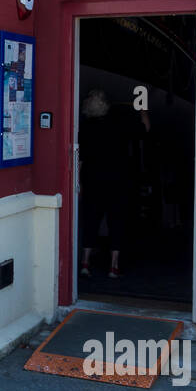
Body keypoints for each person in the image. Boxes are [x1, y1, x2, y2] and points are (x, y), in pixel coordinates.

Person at [78, 88, 146, 279]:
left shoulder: (85, 128)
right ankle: (113, 266)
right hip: (118, 182)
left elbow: (80, 160)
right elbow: (145, 130)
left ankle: (85, 262)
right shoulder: (119, 124)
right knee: (117, 222)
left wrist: (77, 183)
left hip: (93, 182)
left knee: (91, 221)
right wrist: (142, 109)